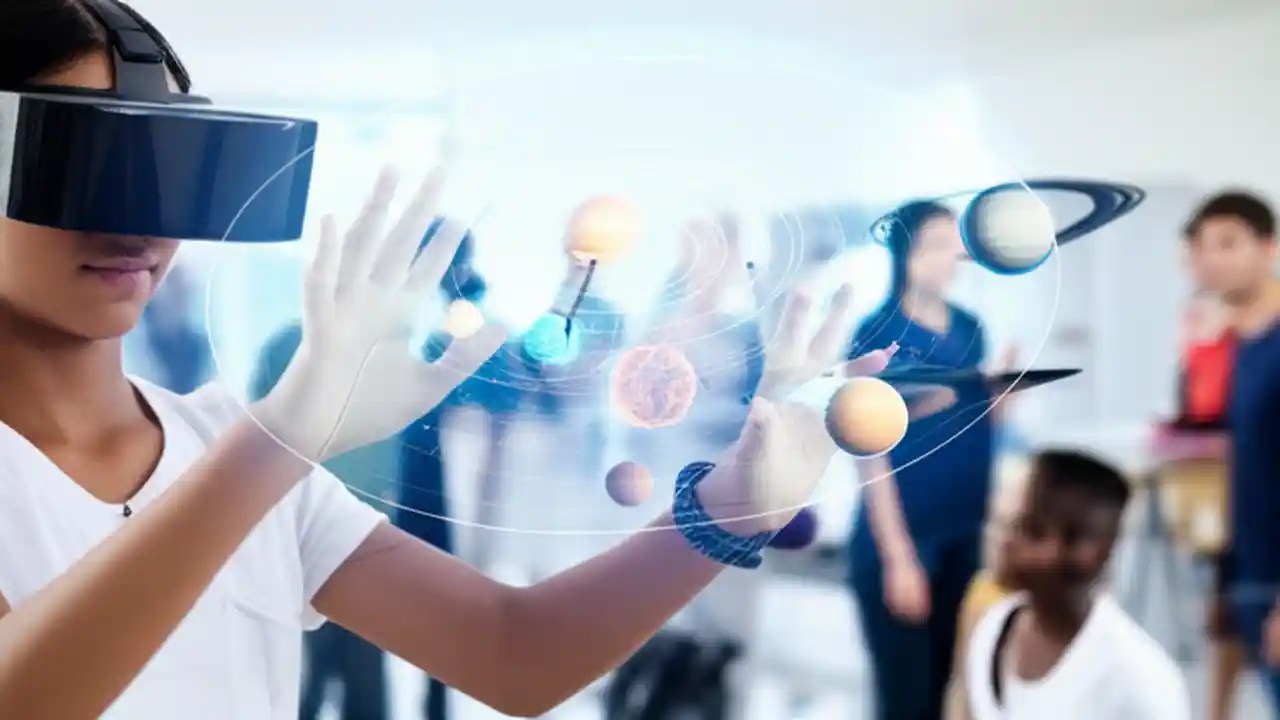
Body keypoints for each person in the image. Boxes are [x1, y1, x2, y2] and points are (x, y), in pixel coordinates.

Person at [0, 5, 893, 718]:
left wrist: (732, 507)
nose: (137, 223)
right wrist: (275, 443)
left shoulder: (224, 448)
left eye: (167, 164)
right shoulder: (253, 456)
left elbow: (513, 651)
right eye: (81, 160)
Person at [846, 199, 997, 720]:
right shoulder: (875, 334)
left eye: (954, 246)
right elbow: (868, 451)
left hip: (963, 534)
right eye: (934, 246)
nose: (948, 257)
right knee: (906, 703)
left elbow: (970, 422)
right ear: (903, 255)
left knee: (946, 697)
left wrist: (999, 397)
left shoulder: (971, 329)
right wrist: (899, 557)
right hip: (902, 541)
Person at [963, 450, 1190, 719]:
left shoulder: (1137, 678)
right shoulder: (992, 628)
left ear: (1085, 551)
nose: (1000, 541)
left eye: (1021, 527)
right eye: (996, 522)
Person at [250, 323, 396, 720]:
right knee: (346, 672)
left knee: (313, 671)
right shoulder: (373, 349)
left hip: (321, 535)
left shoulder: (369, 348)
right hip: (336, 536)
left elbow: (257, 434)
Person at [1183, 191, 1280, 714]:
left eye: (1229, 243)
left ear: (1269, 249)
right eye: (1204, 246)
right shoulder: (1235, 345)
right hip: (1246, 568)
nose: (1212, 258)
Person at [944, 474, 1026, 720]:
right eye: (995, 523)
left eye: (1015, 528)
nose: (999, 540)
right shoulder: (981, 593)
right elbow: (961, 685)